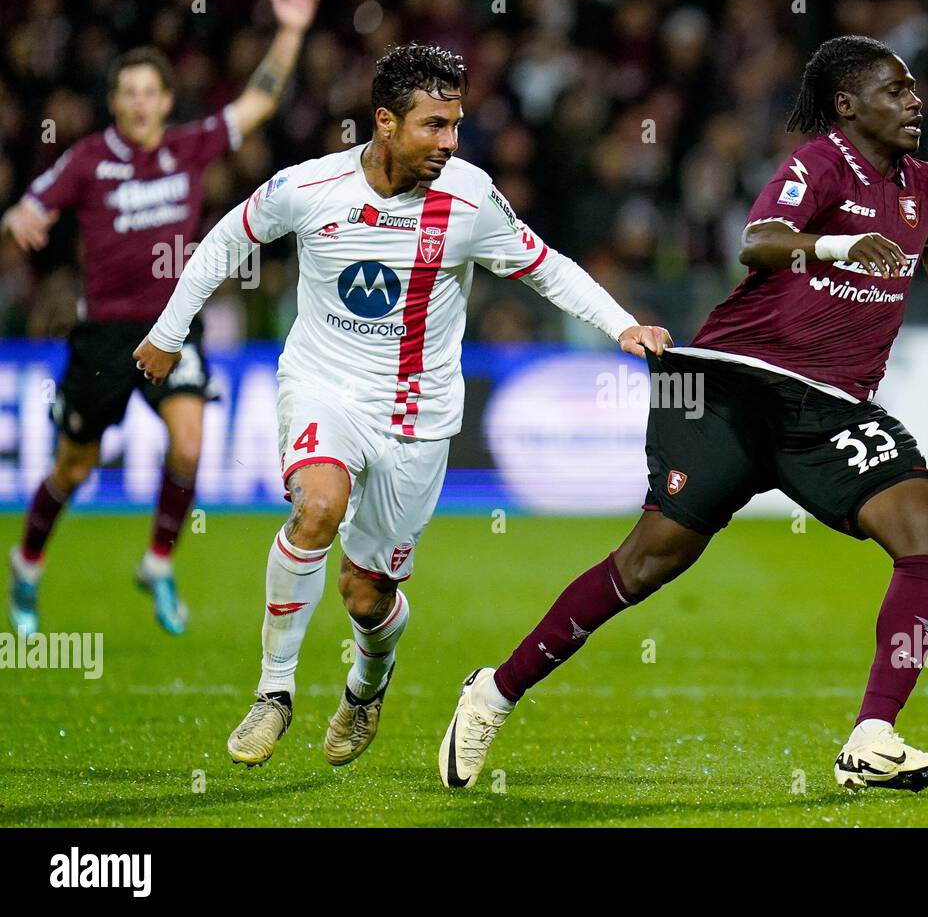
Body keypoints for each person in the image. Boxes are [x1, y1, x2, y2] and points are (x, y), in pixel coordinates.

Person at [438, 35, 928, 793]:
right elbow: (758, 244)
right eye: (896, 90)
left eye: (915, 89)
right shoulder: (819, 164)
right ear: (848, 105)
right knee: (648, 561)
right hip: (735, 389)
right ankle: (494, 691)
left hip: (829, 409)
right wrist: (841, 245)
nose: (915, 101)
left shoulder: (923, 185)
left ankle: (873, 736)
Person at [134, 42, 669, 768]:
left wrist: (621, 325)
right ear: (384, 123)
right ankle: (275, 691)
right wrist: (169, 331)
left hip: (419, 417)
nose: (449, 144)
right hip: (325, 384)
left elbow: (547, 267)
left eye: (455, 126)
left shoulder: (471, 199)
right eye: (434, 127)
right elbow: (228, 238)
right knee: (316, 506)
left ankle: (366, 684)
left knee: (365, 593)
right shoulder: (309, 186)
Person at [3, 0, 321, 636]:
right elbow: (32, 203)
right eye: (129, 92)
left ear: (167, 100)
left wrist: (290, 31)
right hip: (103, 337)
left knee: (189, 441)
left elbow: (258, 102)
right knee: (75, 464)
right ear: (116, 102)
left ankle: (157, 561)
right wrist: (19, 219)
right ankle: (28, 562)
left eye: (151, 92)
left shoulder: (189, 147)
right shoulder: (89, 159)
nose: (141, 103)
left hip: (172, 327)